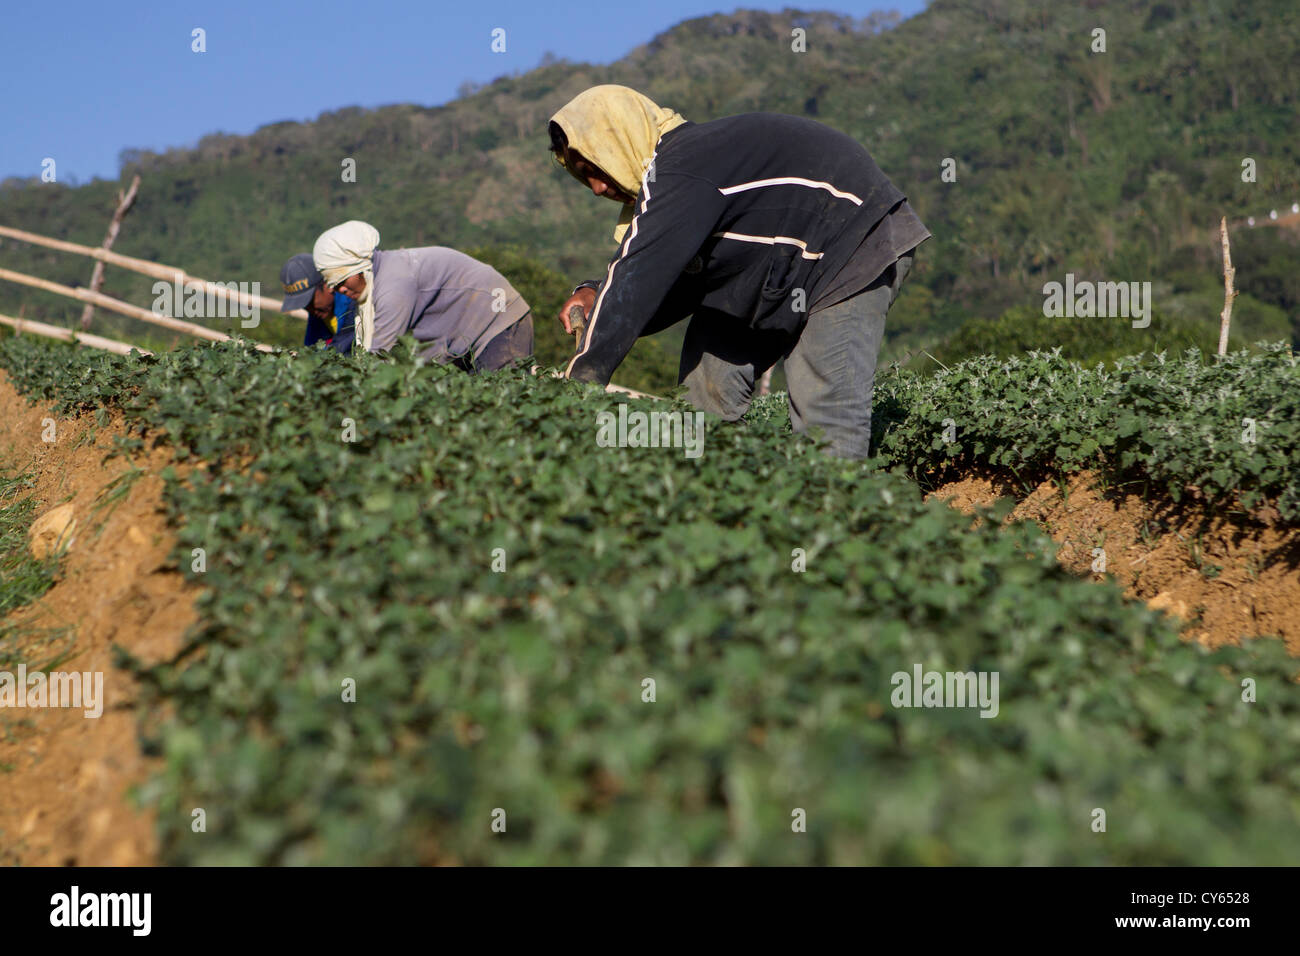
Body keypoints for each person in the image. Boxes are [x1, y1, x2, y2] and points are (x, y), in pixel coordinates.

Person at [550, 85, 931, 458]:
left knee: (826, 417)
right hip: (771, 268)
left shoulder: (683, 169)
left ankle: (837, 513)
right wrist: (598, 292)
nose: (597, 189)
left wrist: (575, 394)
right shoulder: (679, 181)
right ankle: (714, 502)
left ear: (617, 142)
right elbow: (661, 287)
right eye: (582, 177)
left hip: (853, 242)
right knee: (702, 397)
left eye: (594, 168)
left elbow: (637, 285)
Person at [278, 222, 534, 371]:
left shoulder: (393, 285)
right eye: (334, 286)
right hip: (463, 339)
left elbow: (378, 356)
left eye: (342, 281)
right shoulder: (378, 279)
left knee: (503, 404)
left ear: (359, 268)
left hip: (498, 323)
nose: (340, 290)